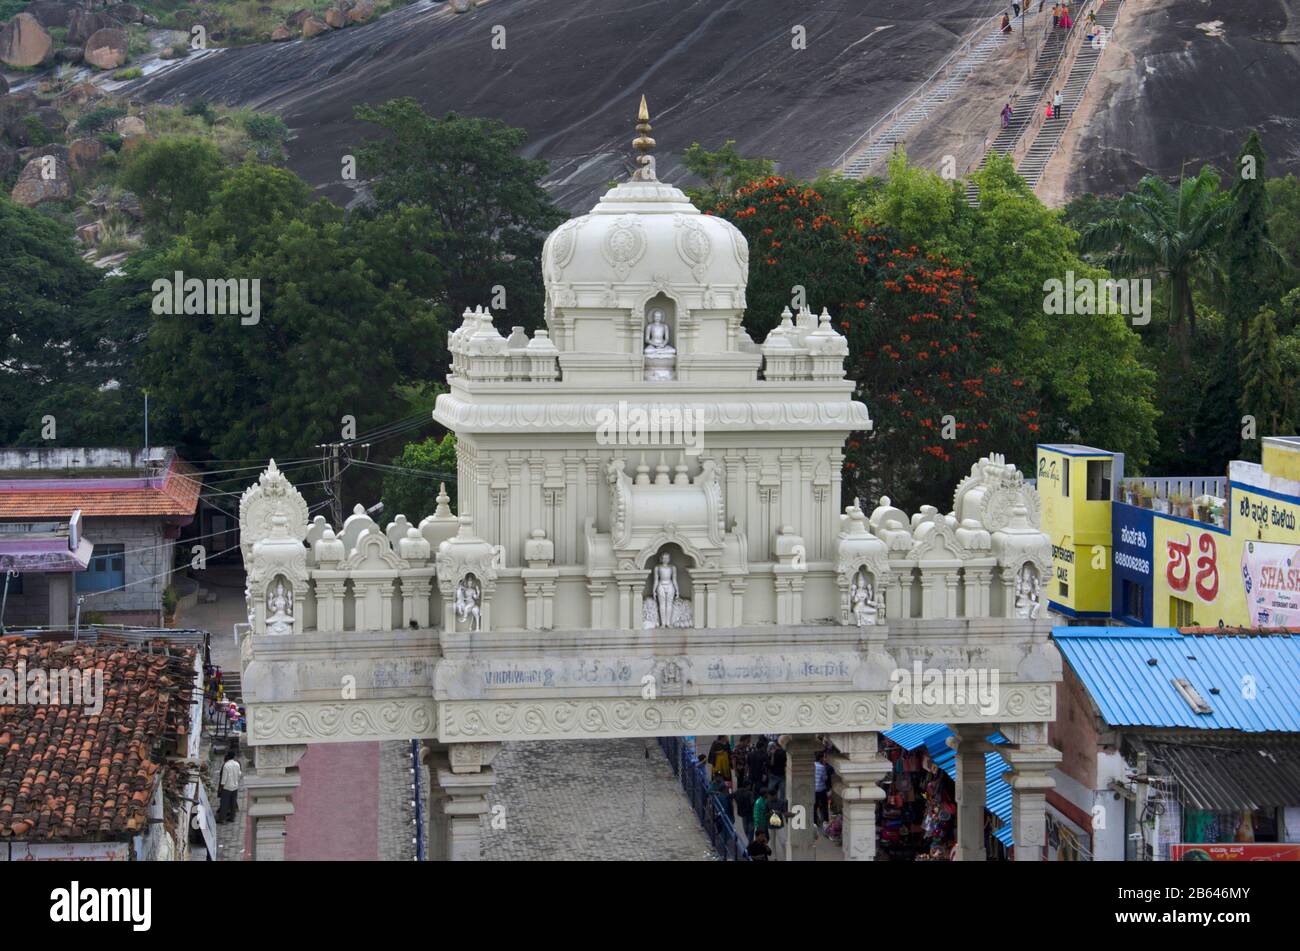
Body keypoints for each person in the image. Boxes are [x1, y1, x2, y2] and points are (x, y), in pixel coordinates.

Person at [216, 750, 242, 823]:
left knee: (224, 803)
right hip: (235, 786)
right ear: (234, 756)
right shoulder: (237, 764)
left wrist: (221, 787)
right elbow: (239, 774)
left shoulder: (226, 765)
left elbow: (224, 778)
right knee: (233, 803)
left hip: (227, 787)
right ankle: (232, 818)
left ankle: (222, 819)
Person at [814, 751, 831, 827]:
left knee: (814, 806)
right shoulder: (822, 767)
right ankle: (825, 821)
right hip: (821, 789)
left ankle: (815, 822)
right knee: (824, 806)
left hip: (814, 789)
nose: (824, 759)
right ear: (820, 758)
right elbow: (825, 778)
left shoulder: (812, 766)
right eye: (823, 757)